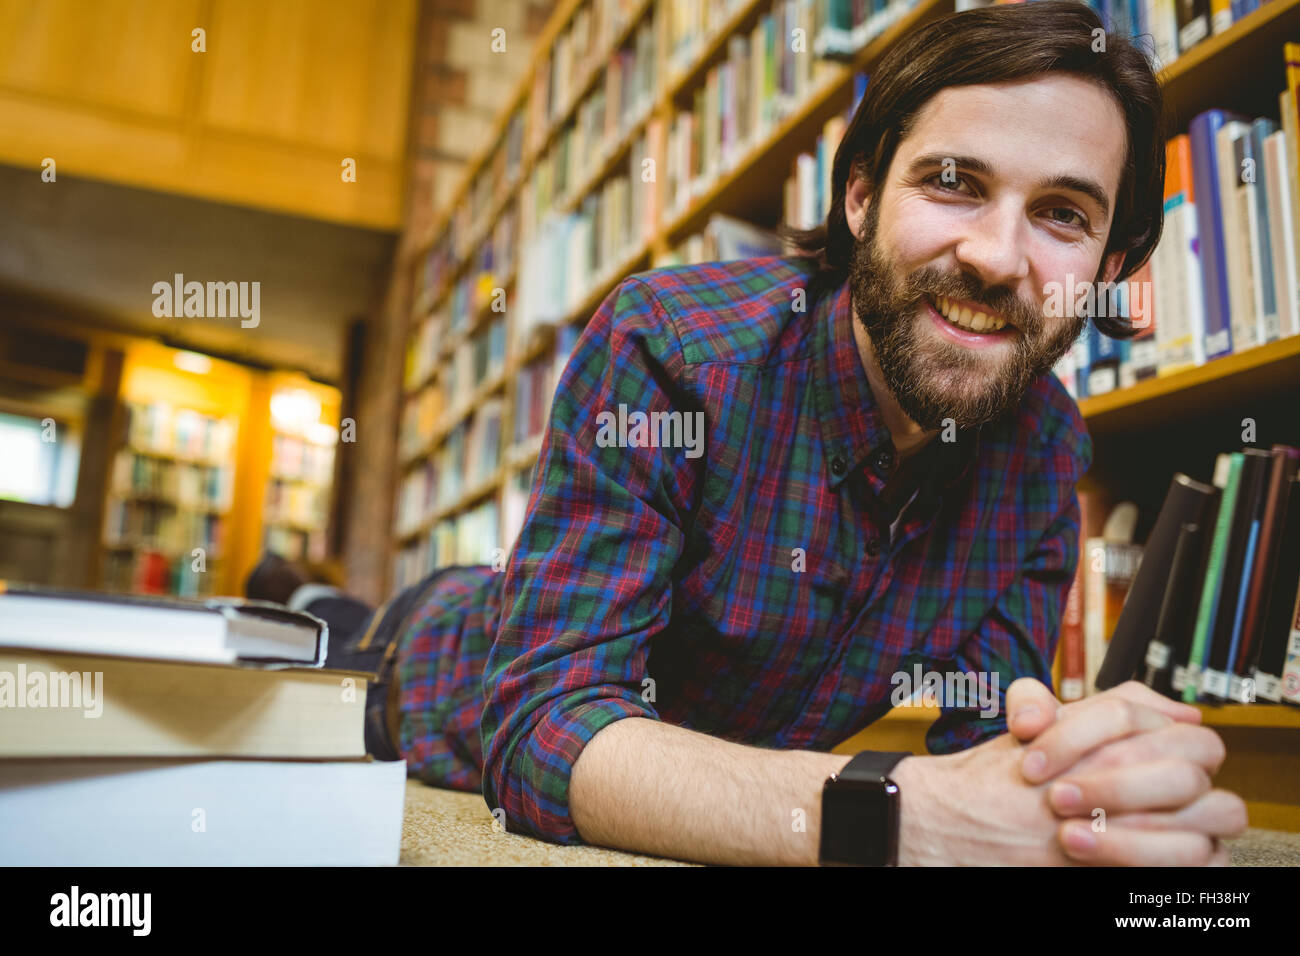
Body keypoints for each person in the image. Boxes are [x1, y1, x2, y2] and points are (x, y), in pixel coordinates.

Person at [251, 0, 1247, 865]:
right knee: (312, 641)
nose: (995, 257)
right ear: (859, 194)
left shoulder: (1046, 456)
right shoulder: (671, 348)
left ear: (1107, 266)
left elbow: (985, 740)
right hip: (428, 670)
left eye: (1062, 215)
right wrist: (888, 814)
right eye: (952, 182)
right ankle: (304, 593)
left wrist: (1084, 785)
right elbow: (544, 734)